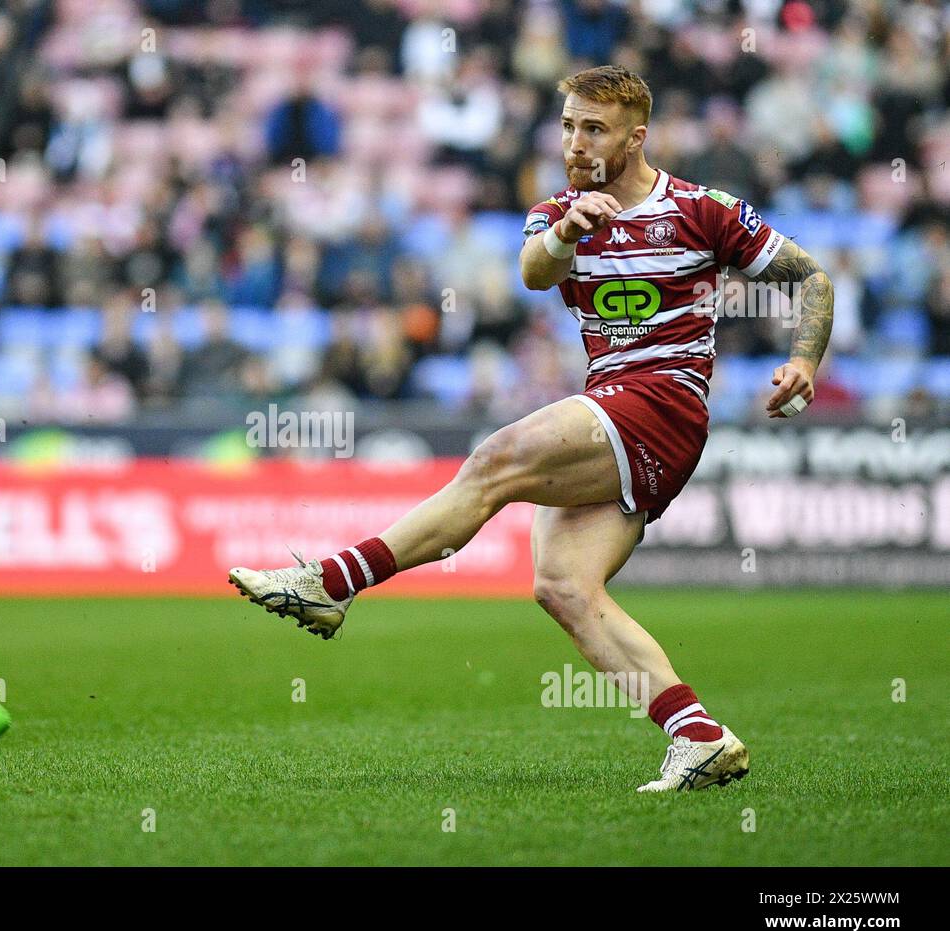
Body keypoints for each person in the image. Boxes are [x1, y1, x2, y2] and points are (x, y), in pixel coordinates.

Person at [228, 66, 834, 793]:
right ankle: (698, 735)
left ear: (636, 137)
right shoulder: (555, 211)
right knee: (563, 587)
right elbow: (533, 273)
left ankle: (334, 582)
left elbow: (812, 279)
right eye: (570, 125)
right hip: (612, 405)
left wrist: (803, 360)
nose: (576, 142)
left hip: (664, 403)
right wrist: (567, 236)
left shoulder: (702, 210)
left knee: (496, 459)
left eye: (595, 129)